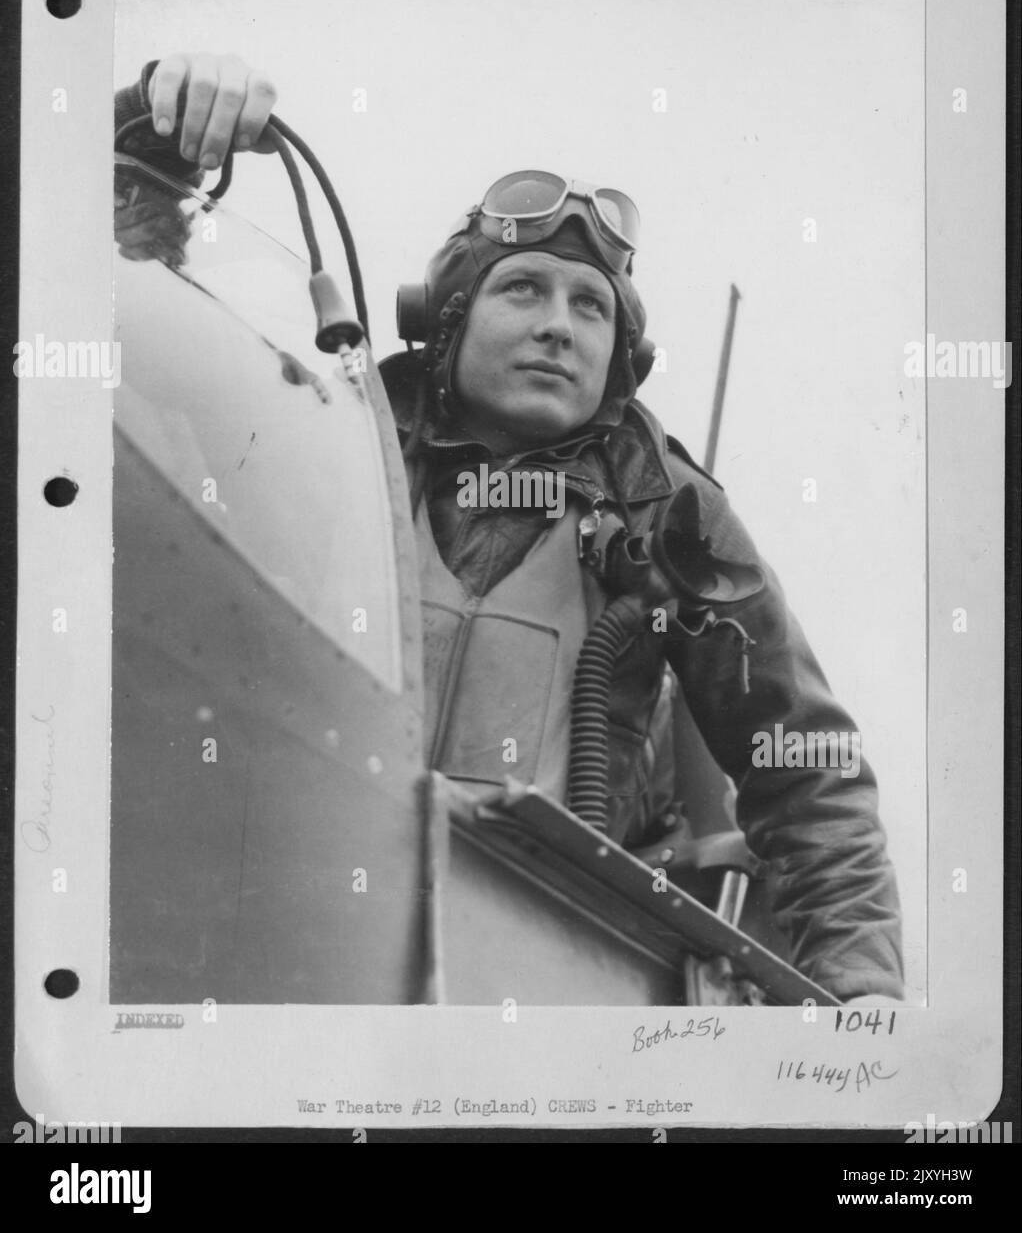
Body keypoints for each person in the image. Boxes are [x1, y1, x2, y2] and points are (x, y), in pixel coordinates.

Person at [113, 54, 904, 1006]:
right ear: (447, 322)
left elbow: (807, 764)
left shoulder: (671, 516)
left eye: (590, 306)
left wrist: (864, 994)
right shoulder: (326, 432)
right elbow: (135, 375)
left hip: (540, 969)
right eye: (523, 288)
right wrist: (156, 141)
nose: (559, 326)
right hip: (288, 917)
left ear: (622, 355)